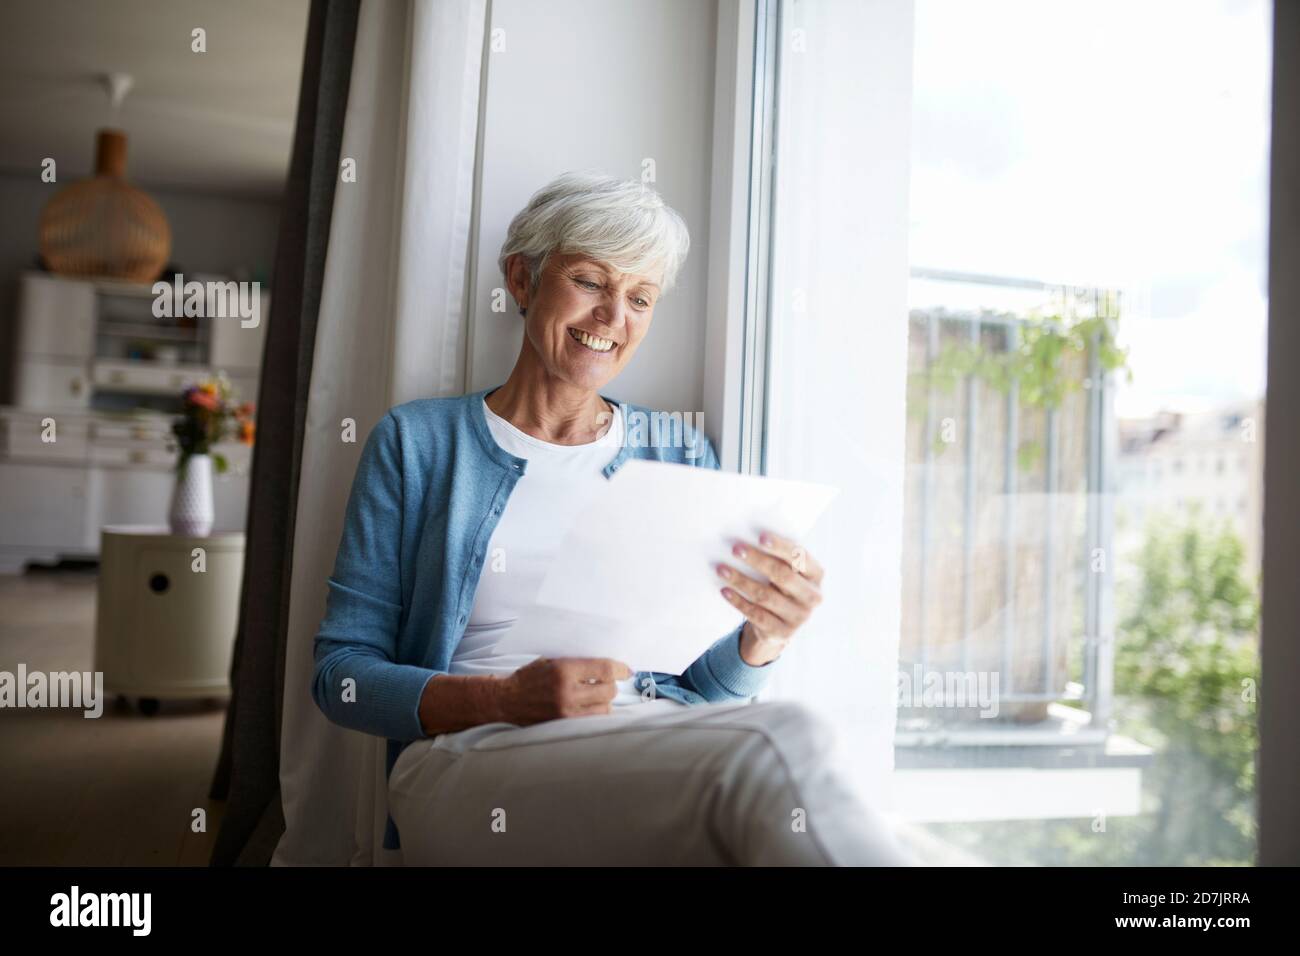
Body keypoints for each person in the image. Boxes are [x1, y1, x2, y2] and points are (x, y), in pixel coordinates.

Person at [311, 171, 913, 865]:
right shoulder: (418, 442)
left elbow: (697, 691)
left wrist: (761, 639)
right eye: (592, 282)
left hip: (645, 745)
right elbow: (341, 677)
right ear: (522, 277)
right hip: (471, 758)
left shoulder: (677, 447)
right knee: (782, 742)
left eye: (639, 298)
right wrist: (503, 698)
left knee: (764, 768)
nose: (612, 318)